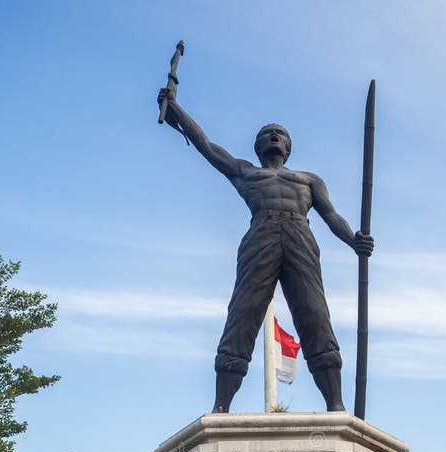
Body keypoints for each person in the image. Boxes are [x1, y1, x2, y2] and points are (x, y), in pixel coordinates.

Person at [158, 88, 374, 412]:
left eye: (280, 134)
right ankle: (221, 405)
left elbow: (331, 216)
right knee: (242, 313)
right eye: (267, 134)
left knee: (315, 314)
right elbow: (205, 145)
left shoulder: (308, 179)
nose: (274, 135)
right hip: (261, 235)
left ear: (288, 147)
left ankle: (336, 403)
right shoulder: (246, 172)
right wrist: (175, 108)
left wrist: (353, 240)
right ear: (258, 147)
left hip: (301, 237)